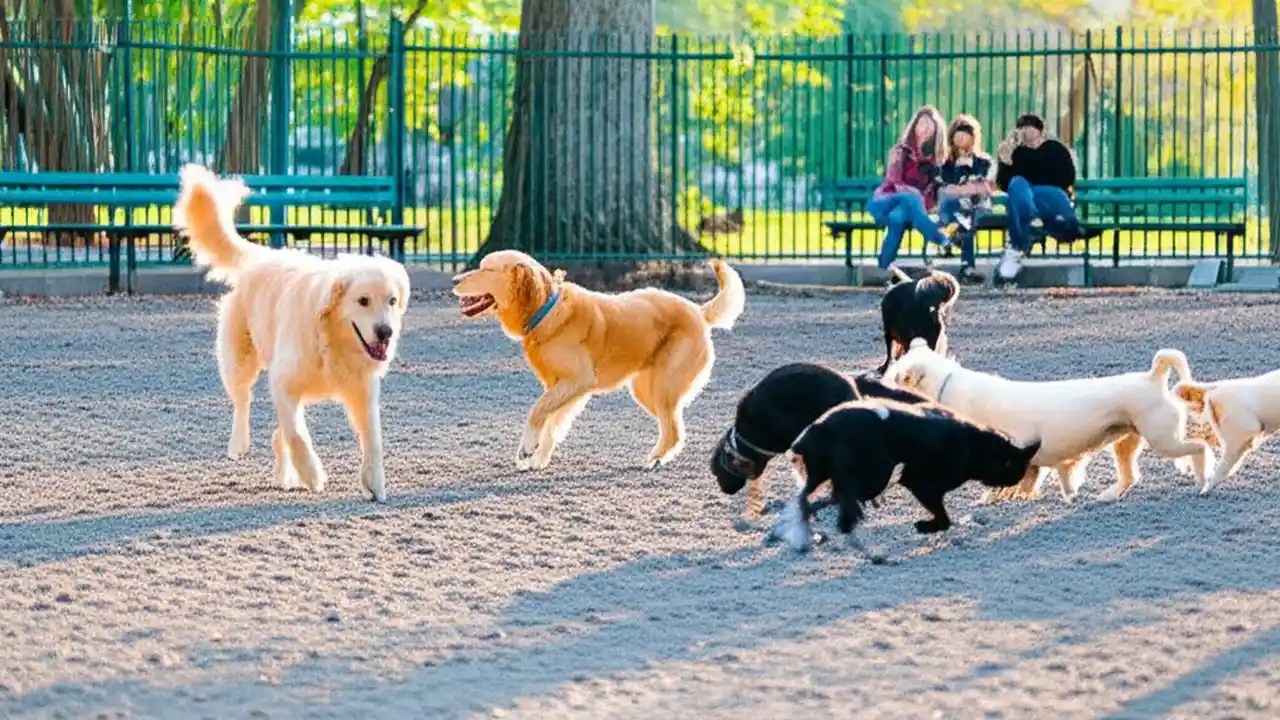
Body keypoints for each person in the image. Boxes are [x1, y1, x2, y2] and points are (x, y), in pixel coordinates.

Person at [993, 112, 1100, 281]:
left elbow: (1066, 178)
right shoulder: (1015, 153)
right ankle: (1032, 223)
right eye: (1021, 127)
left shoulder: (1055, 149)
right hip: (1026, 201)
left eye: (1029, 126)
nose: (1025, 130)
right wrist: (1006, 163)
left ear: (1040, 131)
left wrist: (1034, 187)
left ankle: (1017, 248)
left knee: (1022, 194)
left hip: (1052, 198)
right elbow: (1004, 185)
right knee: (1017, 184)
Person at [868, 105, 955, 270]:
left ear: (937, 130)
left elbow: (934, 192)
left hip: (909, 210)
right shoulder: (900, 151)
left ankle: (884, 266)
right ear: (914, 127)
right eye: (921, 124)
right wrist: (914, 194)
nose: (924, 128)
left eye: (929, 125)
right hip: (884, 202)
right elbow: (894, 181)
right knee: (910, 198)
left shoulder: (937, 159)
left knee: (897, 218)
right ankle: (940, 238)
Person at [937, 114, 994, 285]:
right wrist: (965, 188)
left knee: (966, 220)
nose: (961, 136)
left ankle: (949, 239)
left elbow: (987, 187)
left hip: (977, 207)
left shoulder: (984, 161)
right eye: (957, 132)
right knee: (963, 221)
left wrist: (964, 189)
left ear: (973, 137)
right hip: (954, 209)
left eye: (966, 133)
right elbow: (945, 189)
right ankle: (967, 269)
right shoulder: (945, 163)